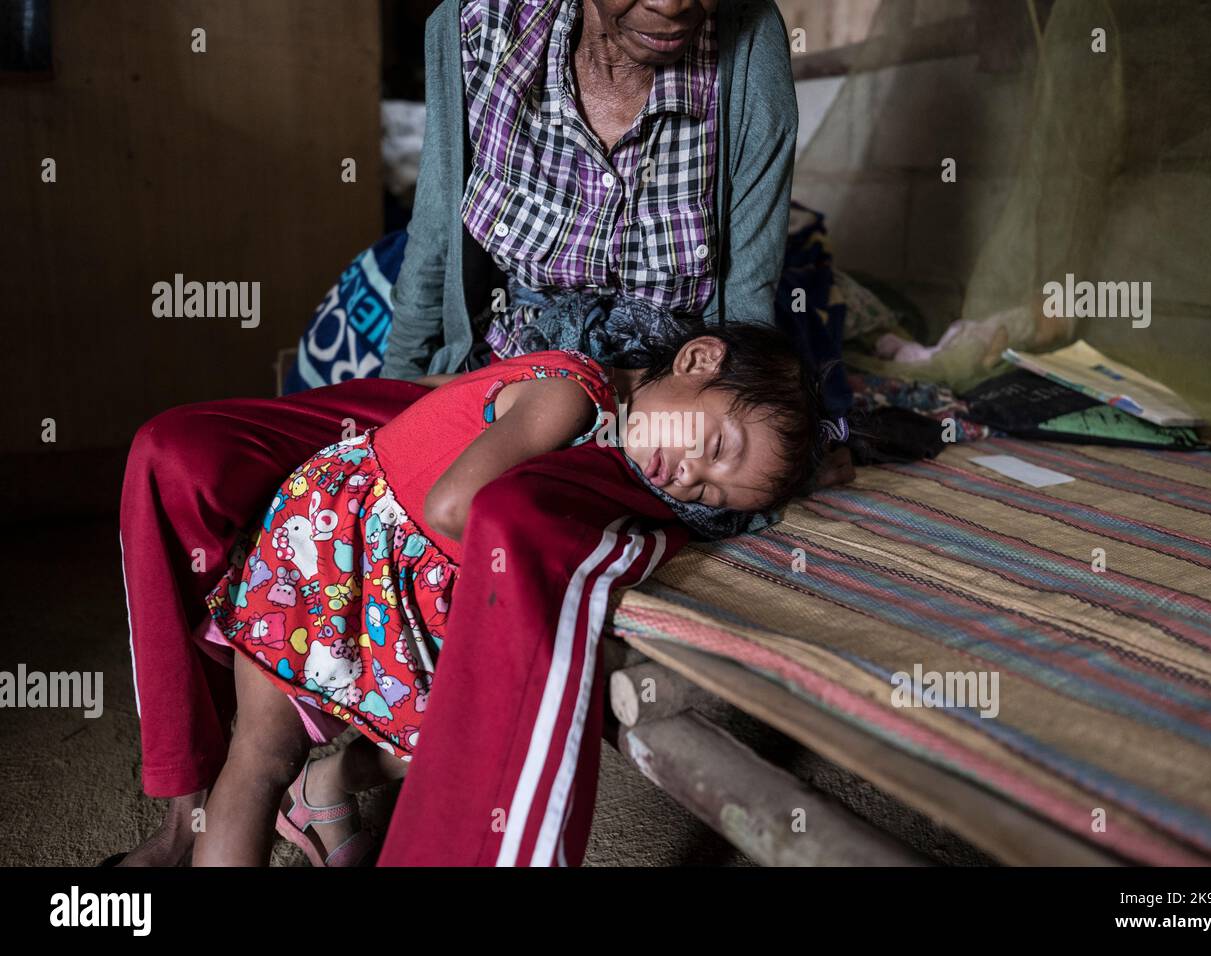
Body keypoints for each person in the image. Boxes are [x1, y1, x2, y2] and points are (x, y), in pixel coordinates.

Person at [111, 0, 847, 866]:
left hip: (628, 420)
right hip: (490, 383)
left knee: (513, 533)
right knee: (173, 454)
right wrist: (392, 389)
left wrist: (721, 496)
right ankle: (184, 819)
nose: (676, 3)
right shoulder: (472, 27)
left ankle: (363, 781)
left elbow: (746, 302)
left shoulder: (748, 42)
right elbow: (435, 242)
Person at [189, 326, 820, 865]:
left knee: (404, 742)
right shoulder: (576, 394)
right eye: (713, 447)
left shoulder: (618, 448)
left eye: (709, 494)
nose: (688, 477)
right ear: (698, 358)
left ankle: (320, 790)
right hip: (334, 542)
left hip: (367, 559)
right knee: (265, 755)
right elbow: (455, 506)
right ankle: (317, 787)